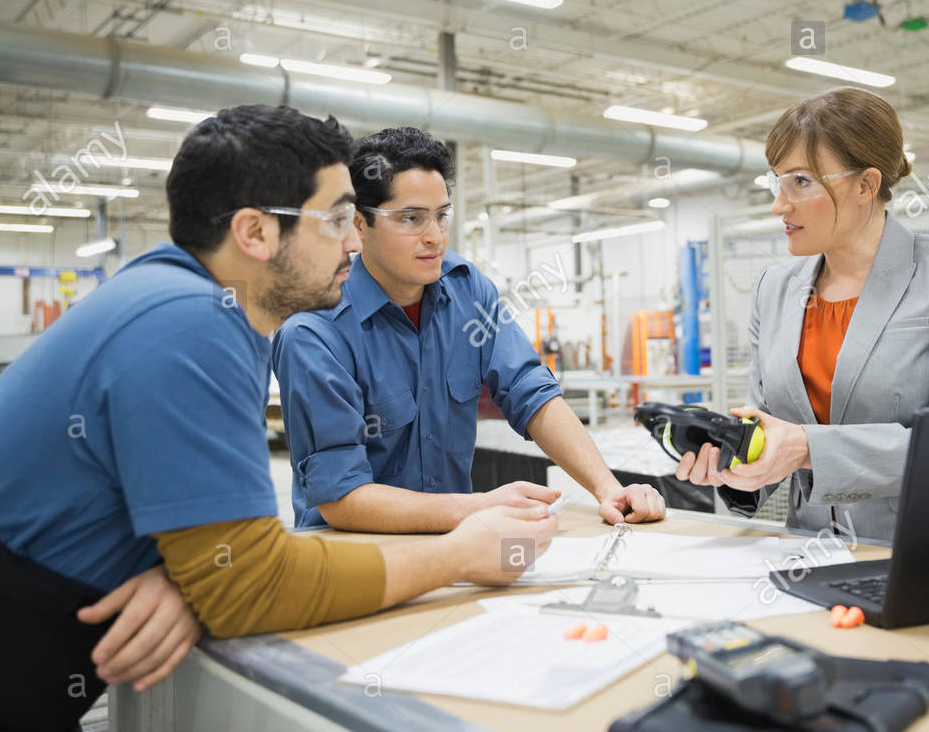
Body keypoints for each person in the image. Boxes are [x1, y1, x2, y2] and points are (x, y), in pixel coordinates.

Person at [0, 105, 555, 731]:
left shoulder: (181, 303)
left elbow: (230, 565)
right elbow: (251, 584)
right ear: (255, 233)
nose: (352, 240)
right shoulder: (192, 327)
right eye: (338, 218)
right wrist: (460, 555)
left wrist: (193, 578)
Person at [272, 126, 665, 533]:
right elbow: (342, 498)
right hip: (354, 559)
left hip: (457, 549)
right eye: (411, 219)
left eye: (441, 216)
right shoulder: (316, 333)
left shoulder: (466, 290)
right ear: (359, 224)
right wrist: (478, 508)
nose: (435, 237)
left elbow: (531, 391)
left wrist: (607, 488)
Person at [674, 88, 929, 541]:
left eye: (801, 182)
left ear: (866, 185)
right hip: (806, 553)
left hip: (921, 550)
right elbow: (772, 432)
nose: (779, 205)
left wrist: (807, 449)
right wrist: (737, 463)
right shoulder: (774, 288)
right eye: (777, 182)